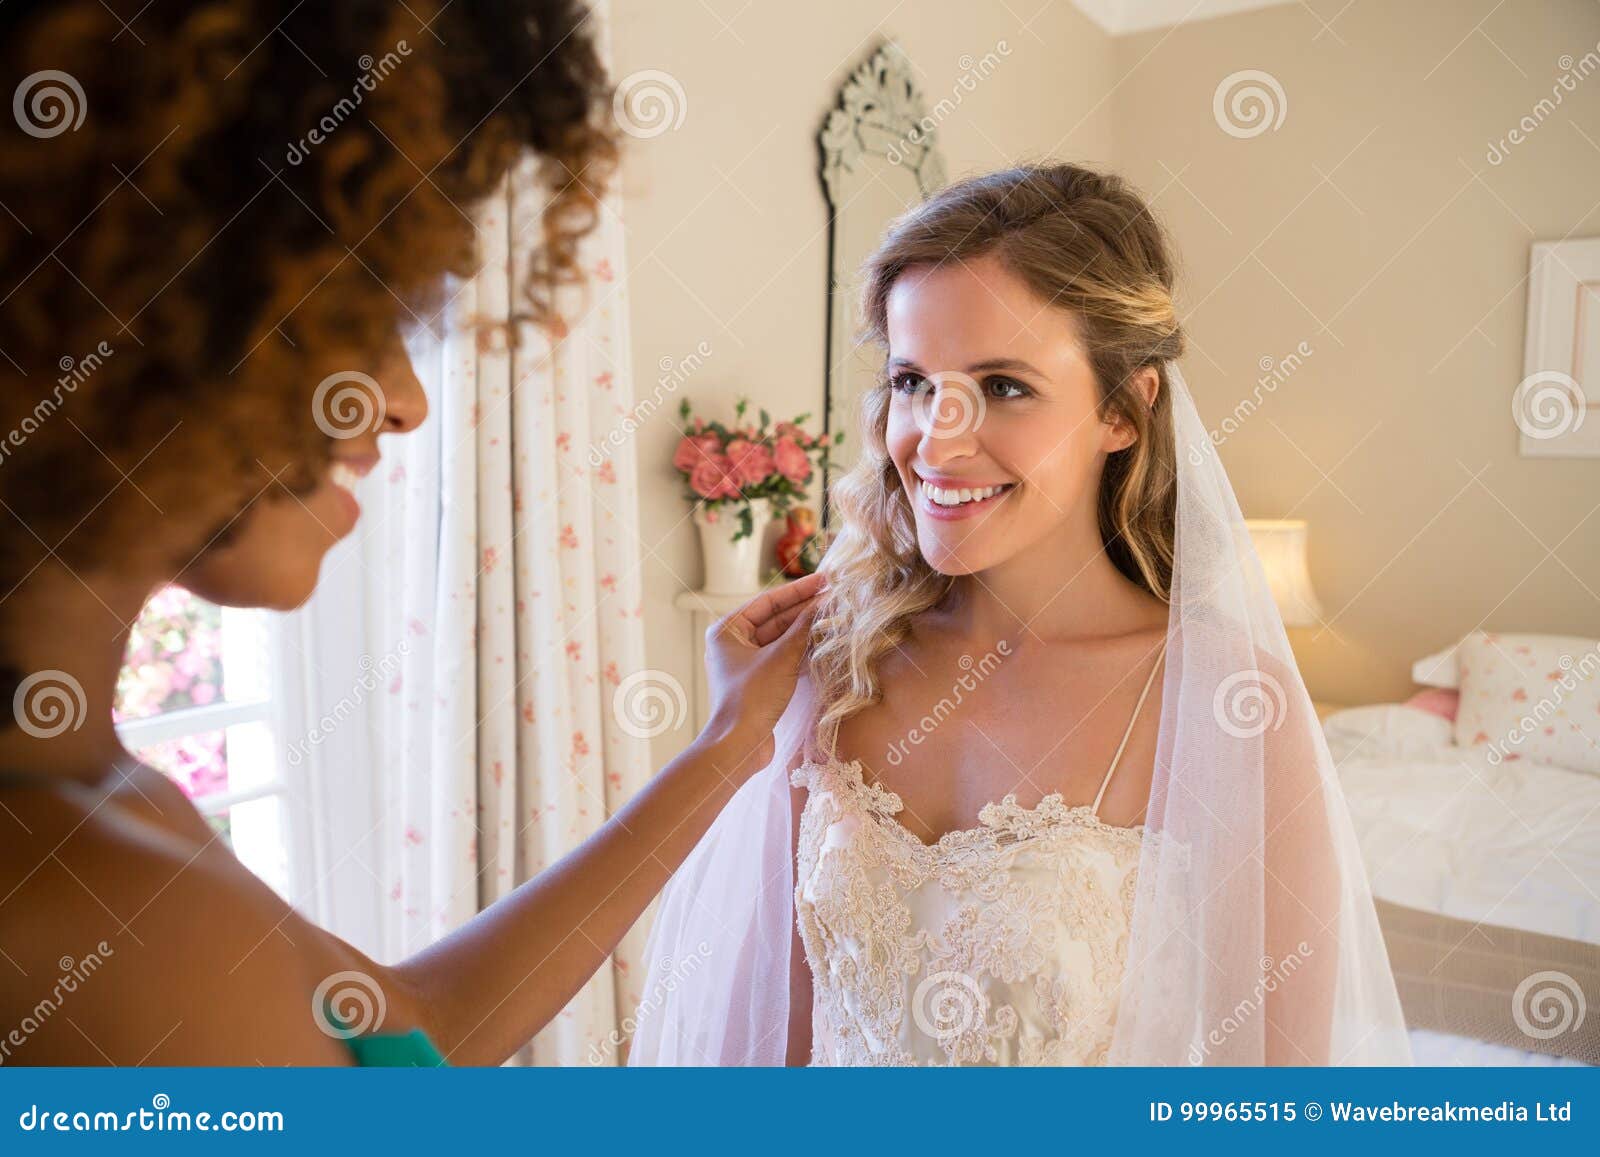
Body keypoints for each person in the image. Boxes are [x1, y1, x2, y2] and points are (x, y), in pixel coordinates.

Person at [0, 0, 822, 1065]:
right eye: (355, 315)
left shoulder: (104, 802)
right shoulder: (95, 925)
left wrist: (726, 747)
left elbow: (411, 1023)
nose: (402, 401)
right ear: (142, 309)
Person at [629, 163, 1412, 1066]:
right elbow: (772, 1038)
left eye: (1003, 386)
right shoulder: (834, 667)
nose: (938, 437)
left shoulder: (1229, 706)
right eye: (914, 381)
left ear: (1124, 409)